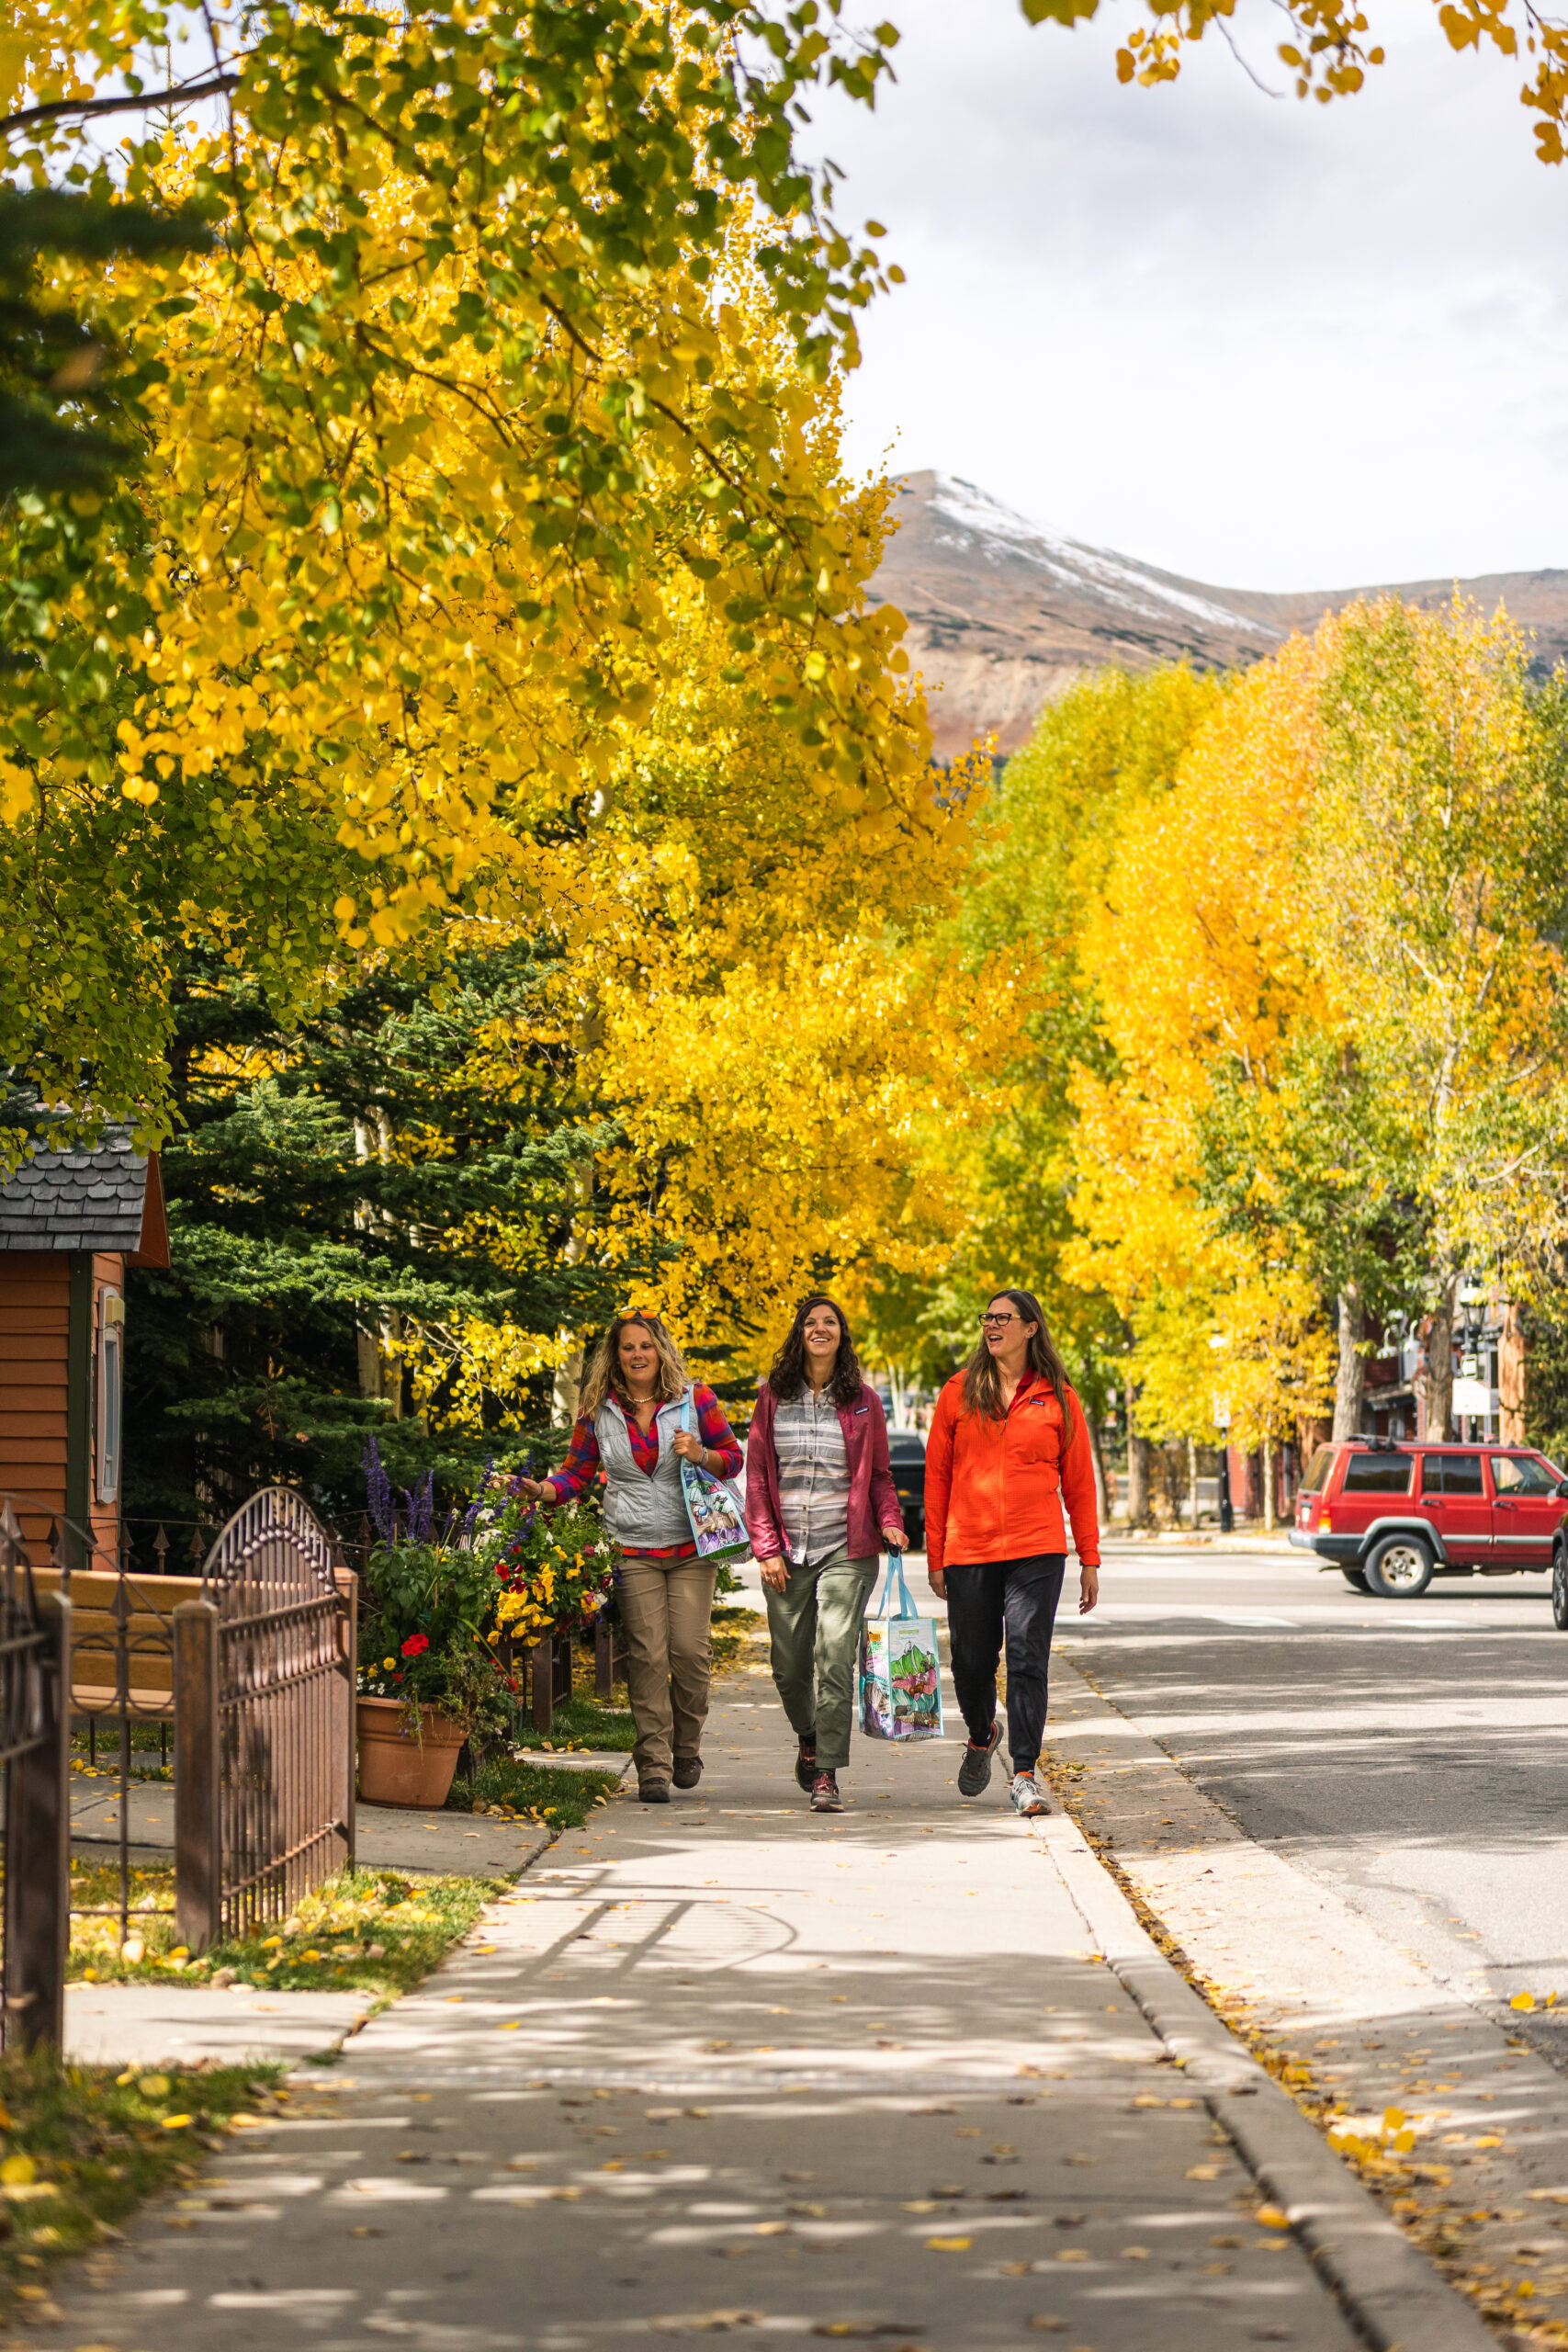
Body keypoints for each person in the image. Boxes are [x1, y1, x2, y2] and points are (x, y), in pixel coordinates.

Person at [517, 1312, 741, 1804]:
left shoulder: (694, 1399)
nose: (637, 1354)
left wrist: (701, 1453)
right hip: (632, 1547)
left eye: (646, 1345)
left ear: (661, 1349)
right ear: (614, 1355)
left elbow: (733, 1457)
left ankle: (687, 1748)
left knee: (690, 1655)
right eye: (627, 1347)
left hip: (689, 1547)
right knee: (647, 1656)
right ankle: (654, 1767)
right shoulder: (598, 1409)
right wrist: (541, 1489)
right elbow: (575, 1476)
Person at [924, 1287, 1100, 1818]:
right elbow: (937, 1476)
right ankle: (983, 1736)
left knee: (1027, 1659)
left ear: (1031, 1328)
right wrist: (937, 1555)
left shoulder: (1060, 1398)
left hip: (1036, 1549)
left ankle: (1024, 1772)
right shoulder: (957, 1392)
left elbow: (1080, 1484)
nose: (992, 1325)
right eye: (988, 1317)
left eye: (1004, 1318)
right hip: (970, 1546)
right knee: (972, 1663)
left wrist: (1089, 1558)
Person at [745, 1294, 906, 1814]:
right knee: (790, 1666)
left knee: (834, 1658)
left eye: (829, 1322)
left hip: (847, 1547)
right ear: (799, 1334)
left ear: (841, 1334)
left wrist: (890, 1522)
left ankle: (828, 1773)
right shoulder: (772, 1396)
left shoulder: (863, 1400)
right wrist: (766, 1547)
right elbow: (757, 1478)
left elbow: (879, 1475)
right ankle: (808, 1735)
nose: (820, 1329)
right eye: (811, 1322)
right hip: (786, 1552)